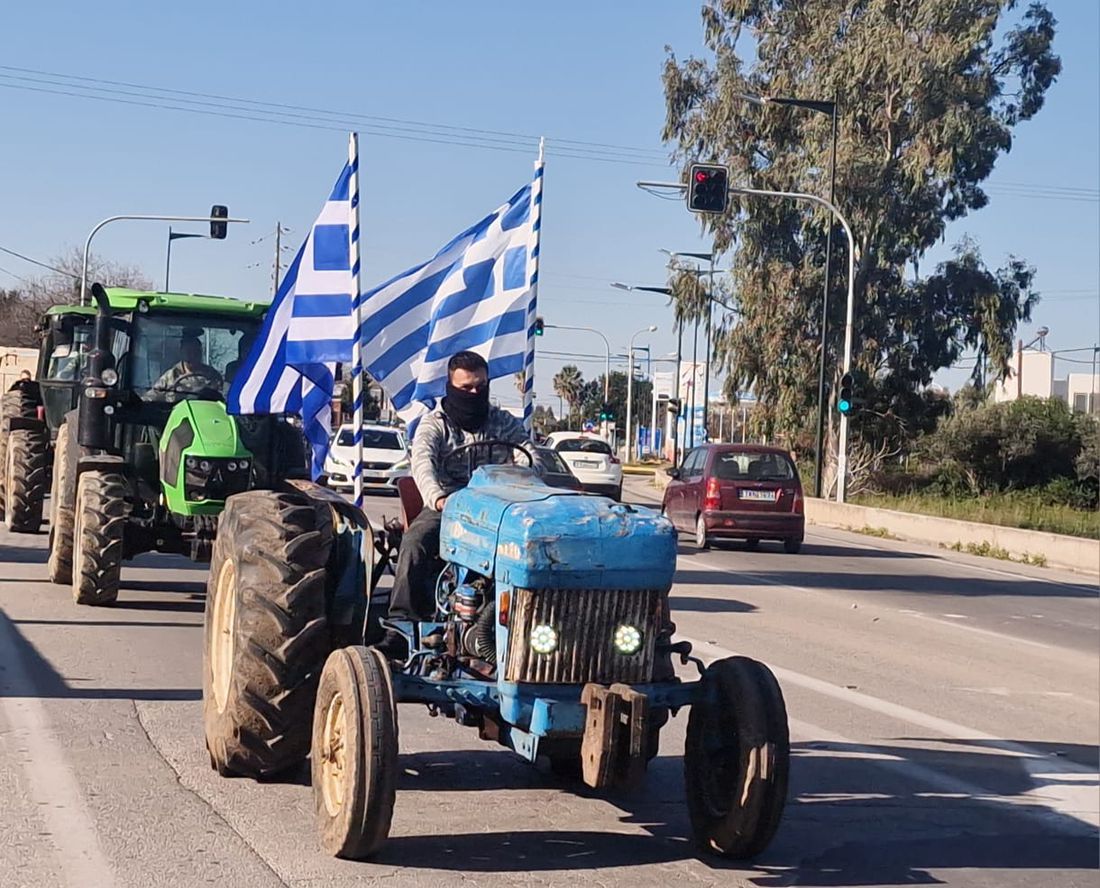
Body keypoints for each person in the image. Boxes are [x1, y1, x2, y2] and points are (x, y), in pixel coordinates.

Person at [377, 350, 528, 660]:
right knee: (415, 541)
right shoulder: (434, 425)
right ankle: (402, 624)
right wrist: (438, 498)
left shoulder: (504, 422)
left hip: (499, 507)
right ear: (450, 386)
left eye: (480, 387)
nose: (474, 393)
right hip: (449, 506)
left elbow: (528, 453)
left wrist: (528, 478)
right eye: (466, 388)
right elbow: (422, 463)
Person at [149, 336, 222, 398]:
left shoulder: (213, 375)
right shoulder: (171, 376)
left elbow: (223, 396)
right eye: (189, 352)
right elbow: (151, 397)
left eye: (196, 352)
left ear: (200, 353)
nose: (192, 356)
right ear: (181, 353)